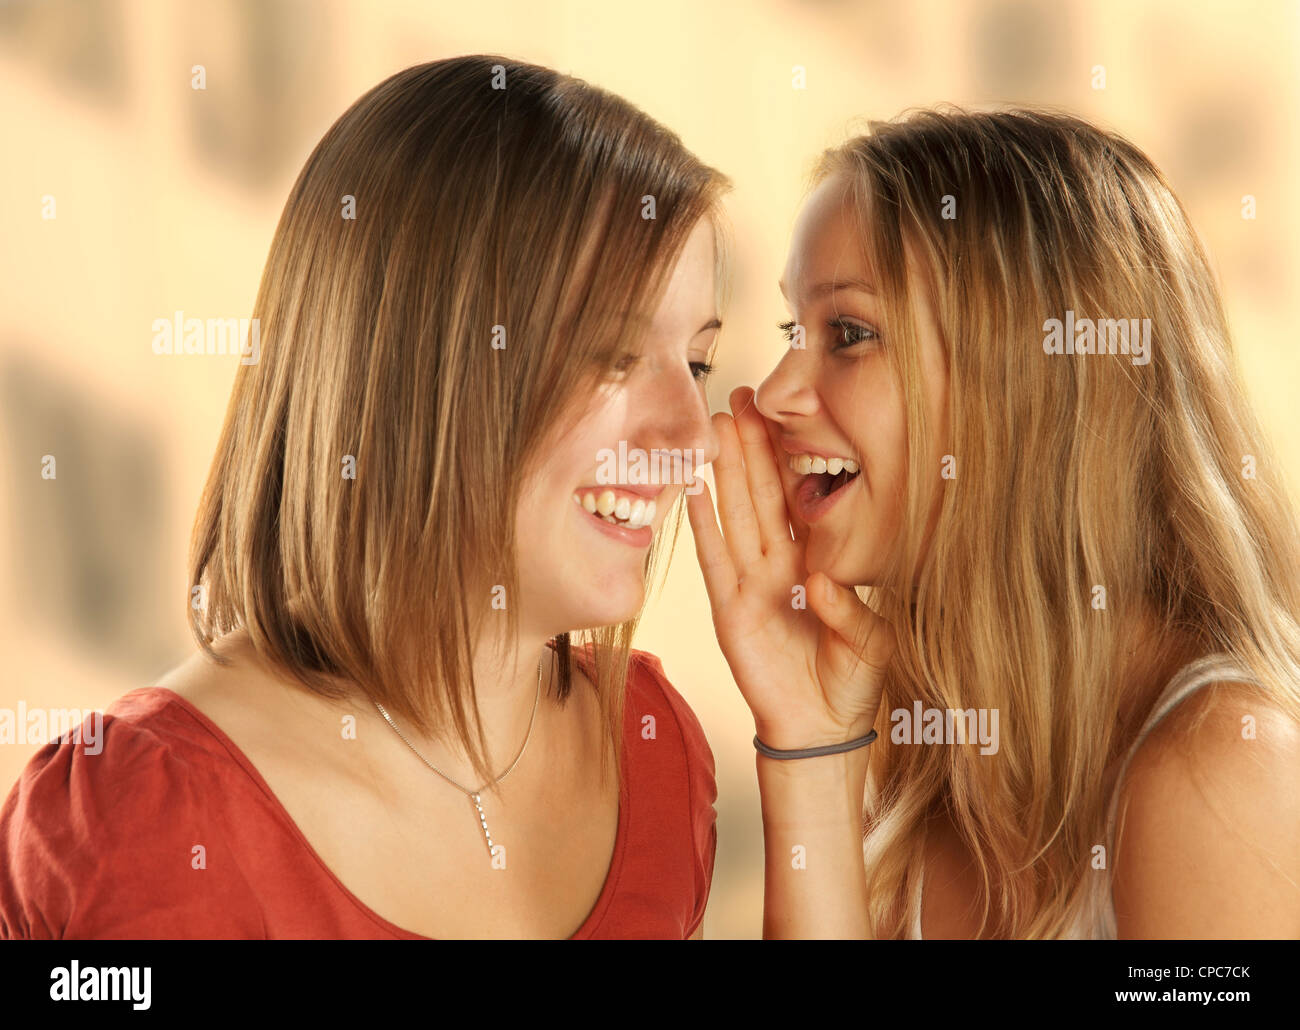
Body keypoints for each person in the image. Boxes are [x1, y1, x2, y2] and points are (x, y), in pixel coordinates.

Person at [0, 56, 727, 940]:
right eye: (612, 356)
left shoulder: (655, 753)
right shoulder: (139, 822)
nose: (692, 441)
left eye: (698, 364)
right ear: (419, 365)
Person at [688, 108, 1300, 938]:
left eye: (850, 334)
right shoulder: (943, 767)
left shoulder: (1222, 774)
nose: (774, 391)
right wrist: (807, 752)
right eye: (796, 329)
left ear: (1021, 390)